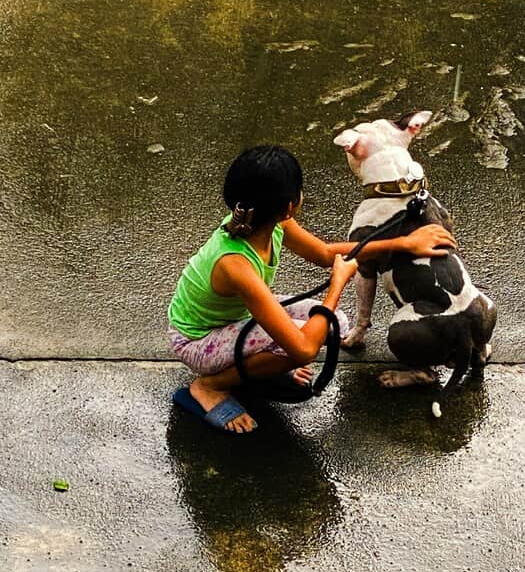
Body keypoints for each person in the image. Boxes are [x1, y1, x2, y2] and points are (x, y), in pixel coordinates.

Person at [167, 145, 456, 433]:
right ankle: (209, 386)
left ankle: (256, 365)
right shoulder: (235, 264)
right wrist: (337, 285)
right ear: (291, 204)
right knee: (300, 346)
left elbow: (325, 253)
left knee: (334, 326)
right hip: (196, 340)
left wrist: (403, 243)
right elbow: (304, 349)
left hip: (233, 317)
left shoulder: (264, 222)